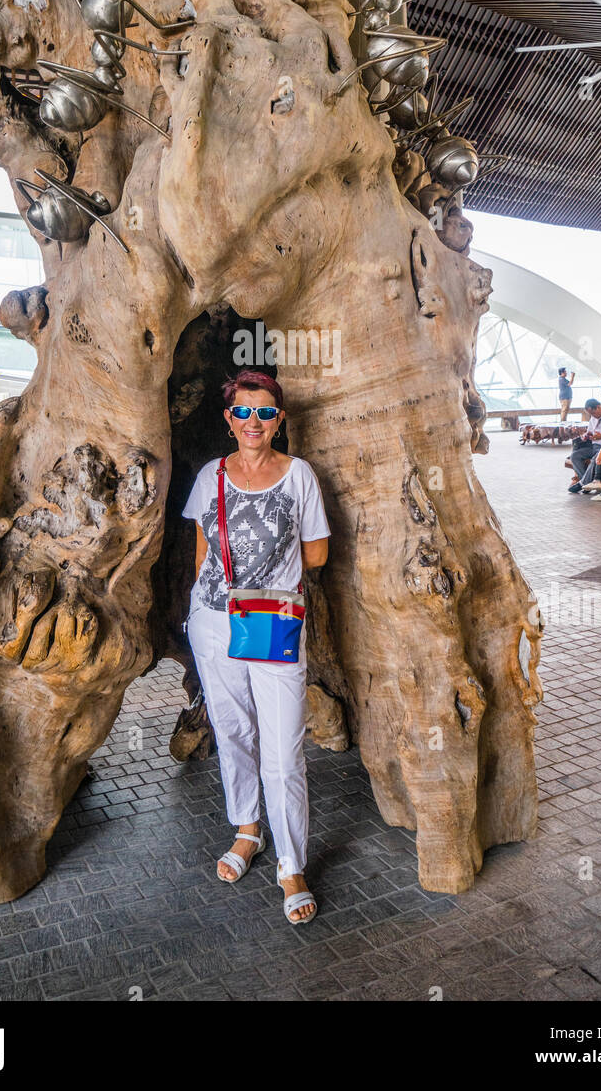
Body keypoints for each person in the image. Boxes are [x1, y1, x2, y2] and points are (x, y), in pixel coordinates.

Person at [182, 369, 330, 926]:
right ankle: (248, 830)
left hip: (271, 621)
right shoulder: (210, 476)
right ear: (229, 418)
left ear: (279, 420)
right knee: (233, 730)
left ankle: (292, 864)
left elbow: (316, 555)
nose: (253, 422)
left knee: (283, 747)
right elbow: (201, 552)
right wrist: (206, 609)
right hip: (214, 622)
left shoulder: (299, 477)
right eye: (243, 411)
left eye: (265, 413)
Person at [568, 399, 601, 493]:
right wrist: (586, 435)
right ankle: (586, 483)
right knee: (575, 456)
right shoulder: (593, 418)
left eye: (593, 413)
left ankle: (582, 484)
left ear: (598, 407)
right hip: (593, 446)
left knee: (595, 458)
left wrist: (600, 436)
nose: (592, 416)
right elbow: (590, 431)